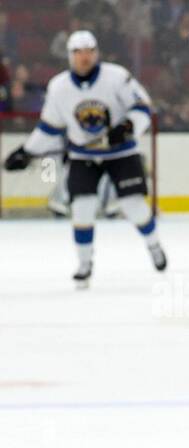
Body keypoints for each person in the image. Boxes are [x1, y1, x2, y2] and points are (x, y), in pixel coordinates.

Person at [2, 30, 166, 287]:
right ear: (70, 56)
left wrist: (127, 128)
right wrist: (27, 151)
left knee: (133, 206)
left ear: (96, 53)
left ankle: (154, 245)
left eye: (89, 51)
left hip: (122, 153)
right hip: (83, 155)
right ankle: (84, 264)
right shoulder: (59, 87)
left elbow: (143, 107)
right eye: (78, 52)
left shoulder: (117, 77)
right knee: (82, 209)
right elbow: (50, 127)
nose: (84, 57)